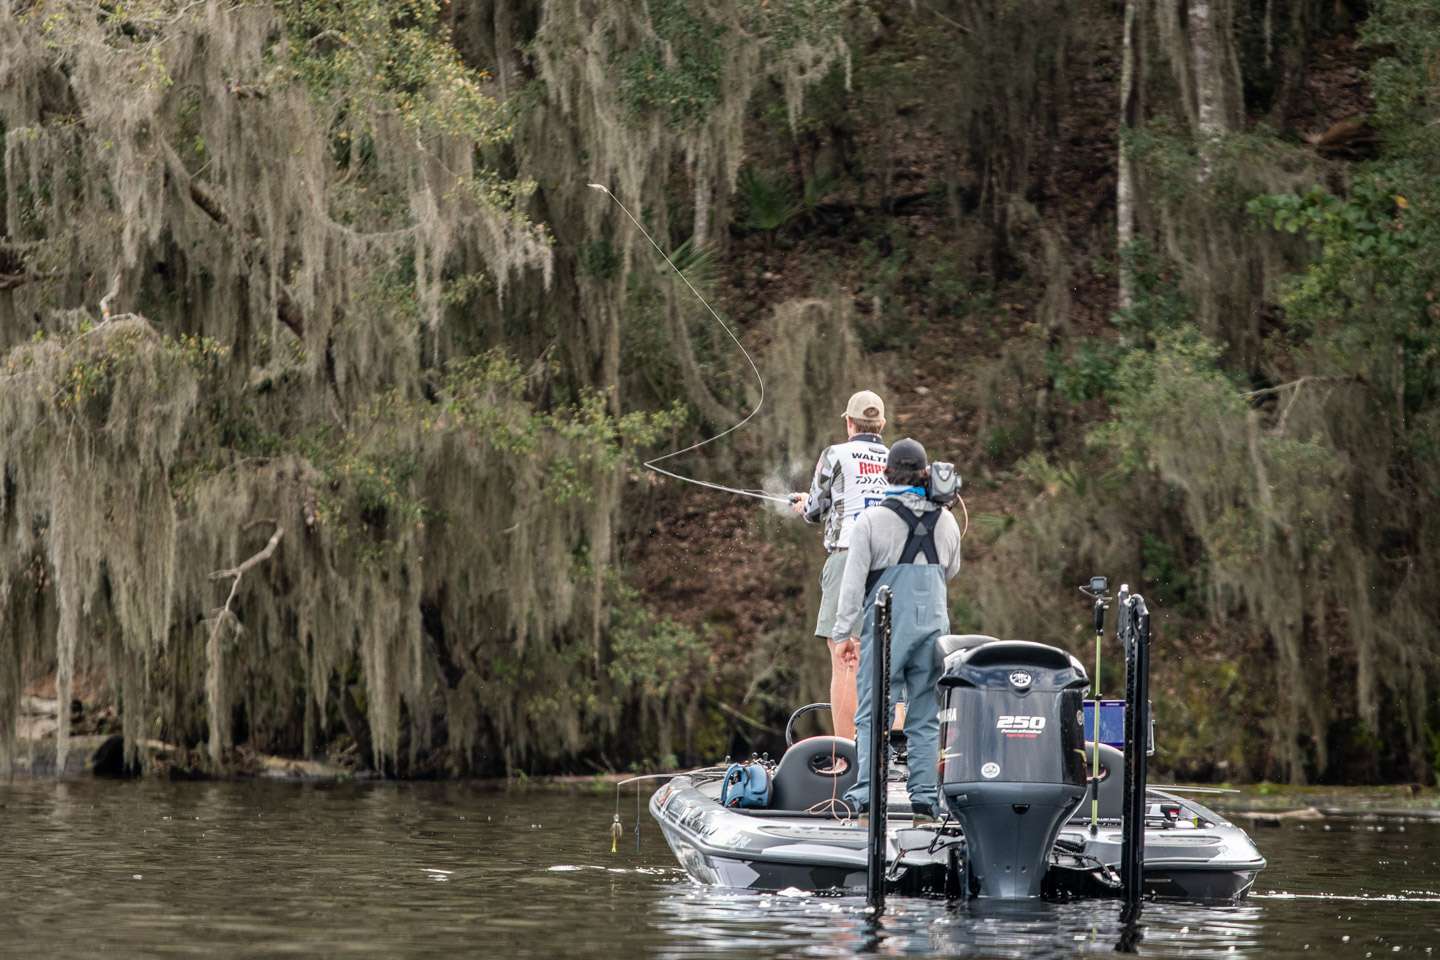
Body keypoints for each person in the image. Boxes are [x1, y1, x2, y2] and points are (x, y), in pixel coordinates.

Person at [831, 437, 962, 821]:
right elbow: (951, 570)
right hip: (934, 627)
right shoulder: (948, 521)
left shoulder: (870, 521)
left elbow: (852, 586)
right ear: (926, 474)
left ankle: (867, 794)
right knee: (925, 715)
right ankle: (924, 799)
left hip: (887, 627)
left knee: (874, 713)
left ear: (886, 474)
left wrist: (842, 634)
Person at [789, 390, 889, 740]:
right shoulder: (897, 459)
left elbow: (815, 509)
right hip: (891, 566)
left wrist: (803, 505)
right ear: (881, 425)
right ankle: (892, 755)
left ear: (849, 423)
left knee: (846, 658)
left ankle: (847, 755)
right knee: (889, 662)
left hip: (848, 559)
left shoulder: (836, 454)